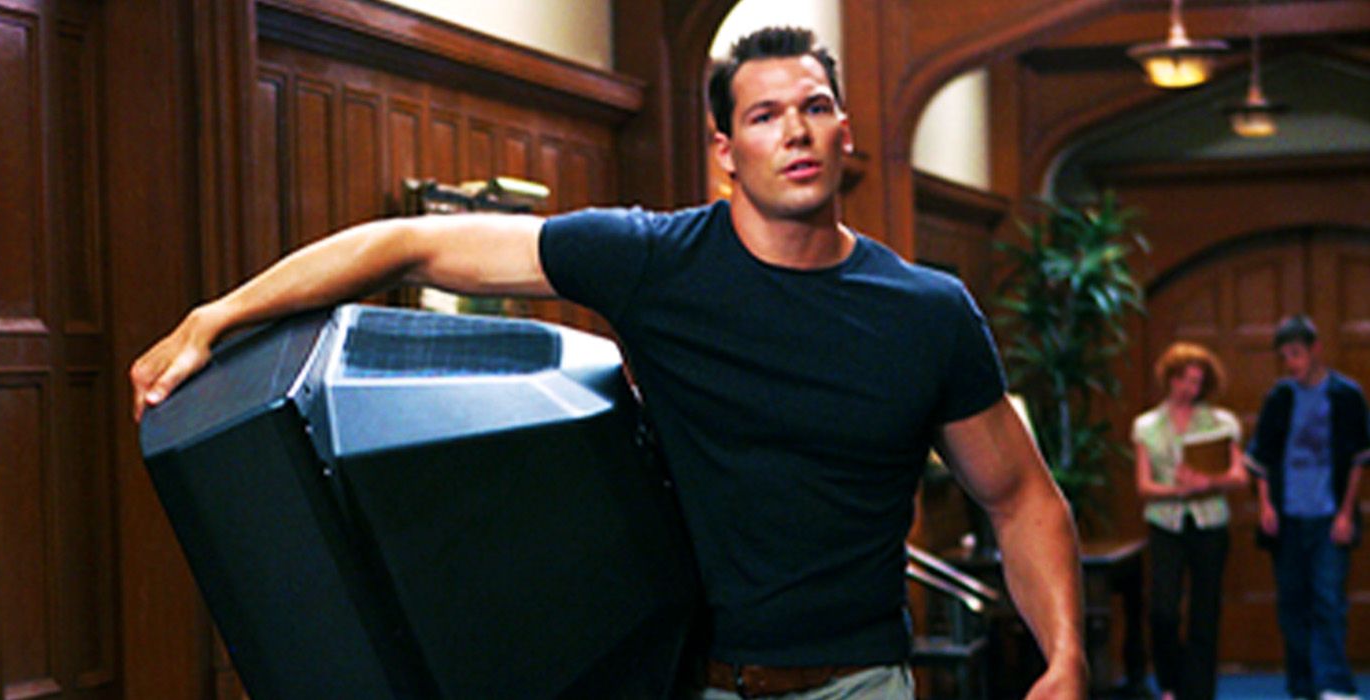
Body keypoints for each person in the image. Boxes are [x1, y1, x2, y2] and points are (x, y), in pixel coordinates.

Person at [130, 27, 1086, 699]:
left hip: (862, 682)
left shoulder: (927, 312)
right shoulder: (653, 262)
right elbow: (407, 244)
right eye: (764, 116)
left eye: (816, 107)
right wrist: (217, 316)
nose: (795, 132)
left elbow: (1020, 498)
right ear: (726, 150)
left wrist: (1066, 660)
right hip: (692, 678)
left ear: (845, 134)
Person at [1246, 315, 1367, 700]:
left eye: (1296, 354)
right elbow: (1261, 458)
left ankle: (1333, 682)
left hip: (1329, 513)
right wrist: (1266, 506)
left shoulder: (1346, 395)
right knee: (1292, 602)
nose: (1291, 363)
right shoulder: (1279, 398)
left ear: (1315, 350)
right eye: (1285, 357)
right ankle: (1302, 684)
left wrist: (1346, 513)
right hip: (1288, 516)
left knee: (1329, 600)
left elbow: (1358, 460)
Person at [1131, 342, 1247, 700]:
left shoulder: (1221, 423)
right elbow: (1144, 486)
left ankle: (1199, 692)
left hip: (1209, 523)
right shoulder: (1147, 426)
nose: (1189, 388)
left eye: (1196, 382)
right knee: (1163, 609)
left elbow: (1239, 476)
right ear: (1170, 378)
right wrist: (1180, 490)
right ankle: (1170, 682)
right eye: (1183, 379)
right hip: (1166, 523)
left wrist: (1208, 483)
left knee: (1205, 612)